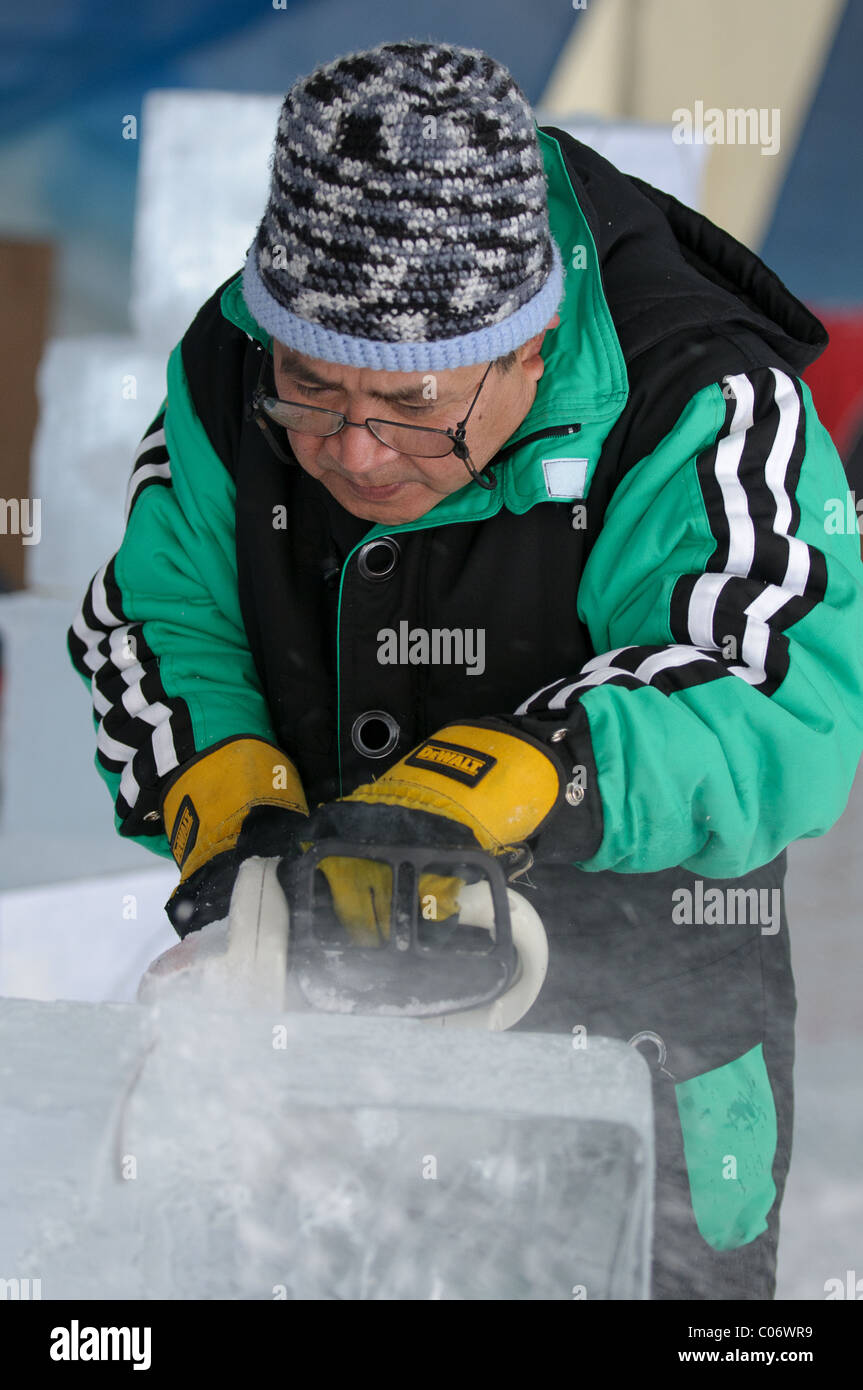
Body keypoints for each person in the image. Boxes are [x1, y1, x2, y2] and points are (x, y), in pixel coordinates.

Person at [68, 41, 863, 1299]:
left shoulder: (696, 399)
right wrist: (233, 814)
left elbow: (774, 687)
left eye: (413, 407)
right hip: (324, 1046)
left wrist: (502, 784)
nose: (357, 455)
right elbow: (163, 619)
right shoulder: (233, 368)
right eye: (313, 392)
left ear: (530, 345)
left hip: (649, 1042)